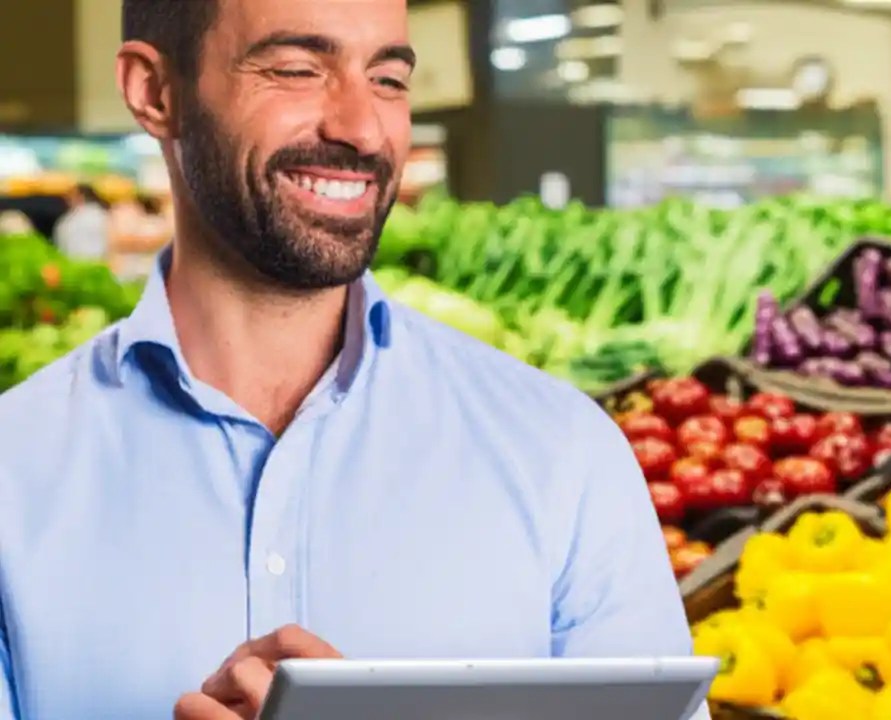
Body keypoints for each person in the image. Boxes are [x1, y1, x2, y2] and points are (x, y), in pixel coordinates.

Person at [0, 1, 705, 718]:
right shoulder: (13, 471)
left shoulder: (563, 452)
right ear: (156, 92)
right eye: (298, 69)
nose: (363, 128)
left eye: (389, 79)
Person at [51, 183, 111, 260]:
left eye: (69, 197)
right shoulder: (106, 216)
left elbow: (61, 247)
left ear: (80, 197)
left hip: (75, 266)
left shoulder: (68, 220)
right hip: (100, 265)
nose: (67, 201)